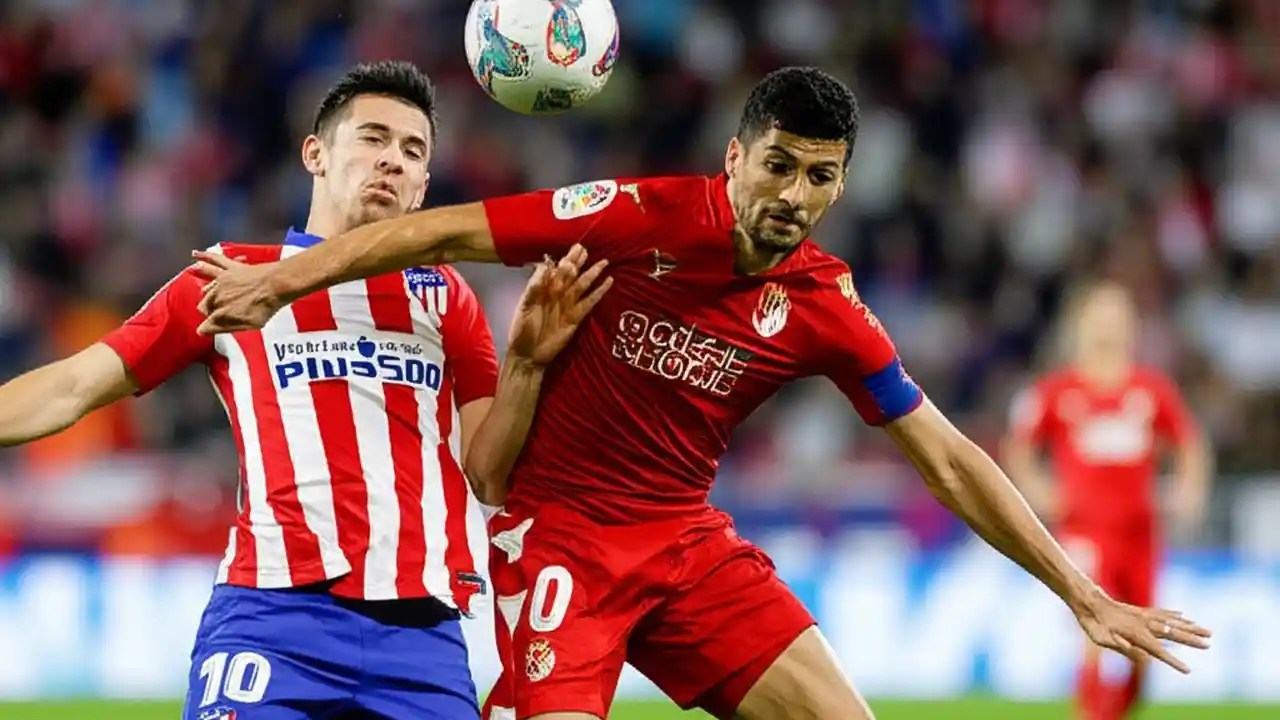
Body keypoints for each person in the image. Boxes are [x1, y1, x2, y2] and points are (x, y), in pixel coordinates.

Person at [193, 66, 1211, 720]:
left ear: (842, 183)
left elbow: (944, 454)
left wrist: (1077, 592)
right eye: (777, 167)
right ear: (735, 158)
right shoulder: (635, 218)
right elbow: (437, 230)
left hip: (680, 543)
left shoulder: (824, 304)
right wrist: (283, 280)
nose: (793, 197)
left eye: (819, 177)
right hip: (554, 543)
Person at [0, 60, 608, 720]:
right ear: (315, 153)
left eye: (412, 151)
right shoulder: (232, 278)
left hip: (421, 640)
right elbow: (73, 386)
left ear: (425, 184)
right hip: (272, 620)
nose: (392, 162)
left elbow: (489, 476)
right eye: (373, 138)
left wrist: (523, 364)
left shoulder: (443, 297)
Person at [1003, 280, 1211, 720]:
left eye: (1116, 318)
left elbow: (1190, 443)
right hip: (1084, 533)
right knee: (1095, 633)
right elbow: (1018, 446)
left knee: (1144, 647)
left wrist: (1189, 488)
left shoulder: (1150, 390)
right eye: (1099, 318)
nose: (1107, 328)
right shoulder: (1058, 391)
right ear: (1081, 326)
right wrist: (1040, 491)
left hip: (1140, 535)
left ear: (1131, 328)